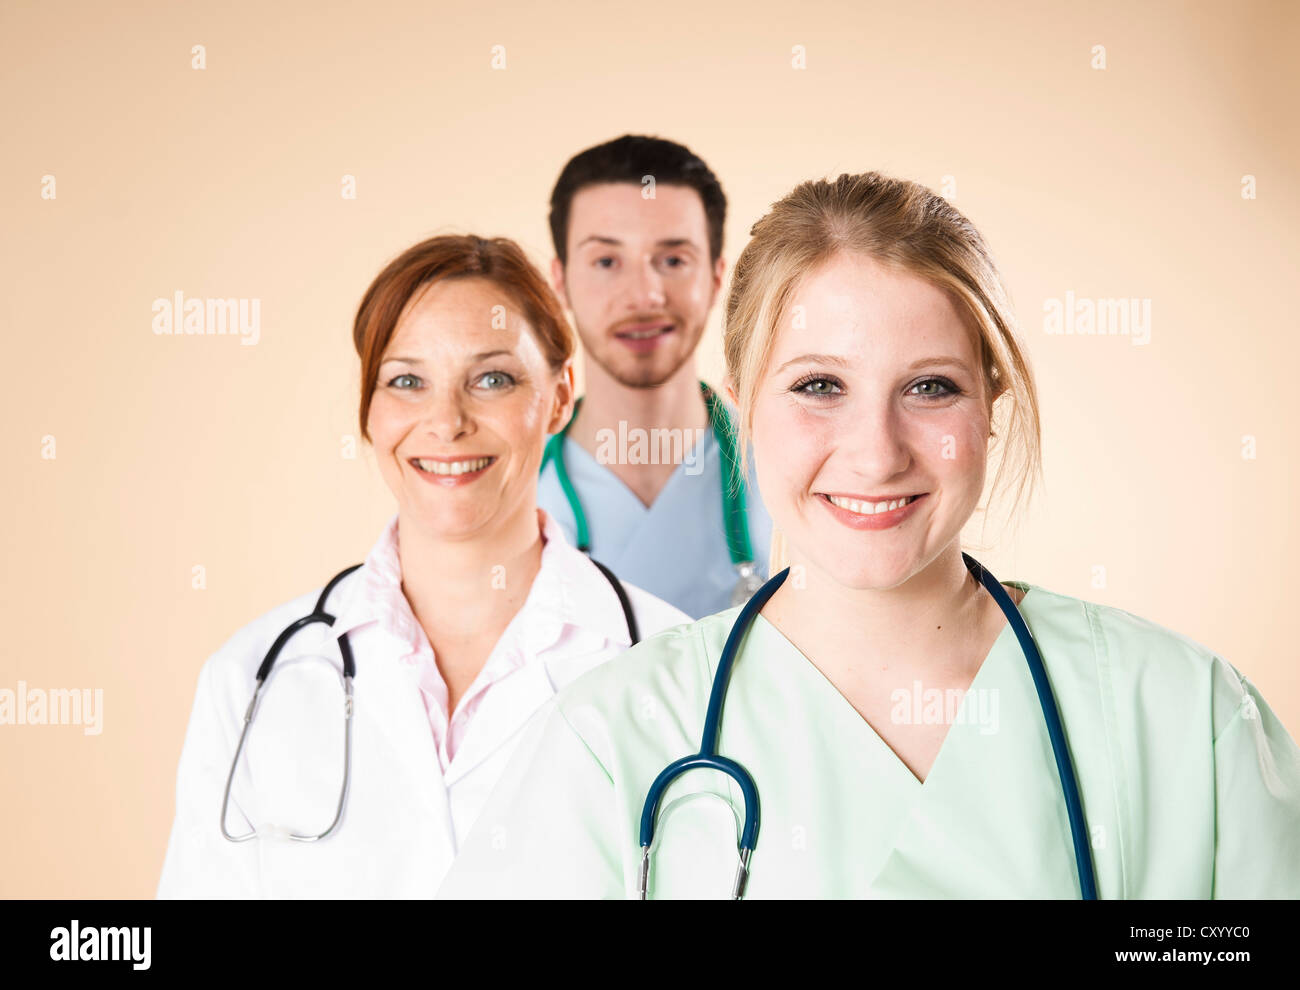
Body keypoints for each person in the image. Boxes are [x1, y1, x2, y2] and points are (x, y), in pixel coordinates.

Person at [437, 174, 1300, 899]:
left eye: (930, 388)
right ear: (737, 409)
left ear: (990, 406)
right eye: (818, 385)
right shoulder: (615, 740)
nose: (877, 453)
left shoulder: (1188, 721)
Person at [157, 235, 689, 898]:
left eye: (492, 379)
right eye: (407, 381)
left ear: (559, 397)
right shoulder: (252, 678)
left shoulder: (674, 670)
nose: (446, 421)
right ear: (369, 412)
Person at [538, 135, 773, 619]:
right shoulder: (511, 492)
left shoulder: (792, 468)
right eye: (606, 261)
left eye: (672, 261)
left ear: (713, 276)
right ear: (560, 281)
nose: (643, 295)